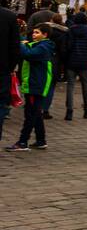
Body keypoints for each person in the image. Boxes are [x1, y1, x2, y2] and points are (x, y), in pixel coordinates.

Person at [5, 23, 54, 152]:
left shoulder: (44, 47)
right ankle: (40, 140)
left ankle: (23, 141)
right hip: (33, 84)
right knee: (36, 112)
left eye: (37, 32)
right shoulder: (40, 45)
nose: (33, 35)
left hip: (36, 85)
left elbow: (28, 54)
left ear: (45, 35)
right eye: (33, 32)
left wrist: (20, 43)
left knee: (30, 113)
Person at [65, 10, 87, 121]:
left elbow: (67, 46)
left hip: (71, 61)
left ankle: (69, 111)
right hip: (84, 61)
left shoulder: (70, 31)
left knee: (70, 86)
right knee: (85, 85)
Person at [0, 2, 22, 142]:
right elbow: (15, 47)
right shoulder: (9, 16)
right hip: (2, 69)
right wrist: (10, 67)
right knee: (1, 104)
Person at [41, 13, 69, 120]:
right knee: (51, 86)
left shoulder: (44, 29)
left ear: (51, 20)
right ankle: (45, 110)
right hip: (55, 61)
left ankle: (37, 107)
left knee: (41, 83)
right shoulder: (64, 32)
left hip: (42, 58)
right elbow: (63, 50)